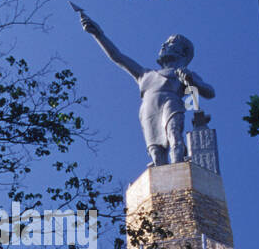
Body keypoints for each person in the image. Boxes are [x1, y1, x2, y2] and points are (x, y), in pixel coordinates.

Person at [79, 14, 215, 166]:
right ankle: (161, 180)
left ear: (182, 52)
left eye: (170, 43)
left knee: (174, 135)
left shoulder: (181, 72)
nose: (164, 46)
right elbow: (118, 56)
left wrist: (192, 81)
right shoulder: (145, 74)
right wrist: (98, 34)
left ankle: (178, 165)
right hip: (148, 110)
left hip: (171, 103)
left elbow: (209, 92)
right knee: (155, 151)